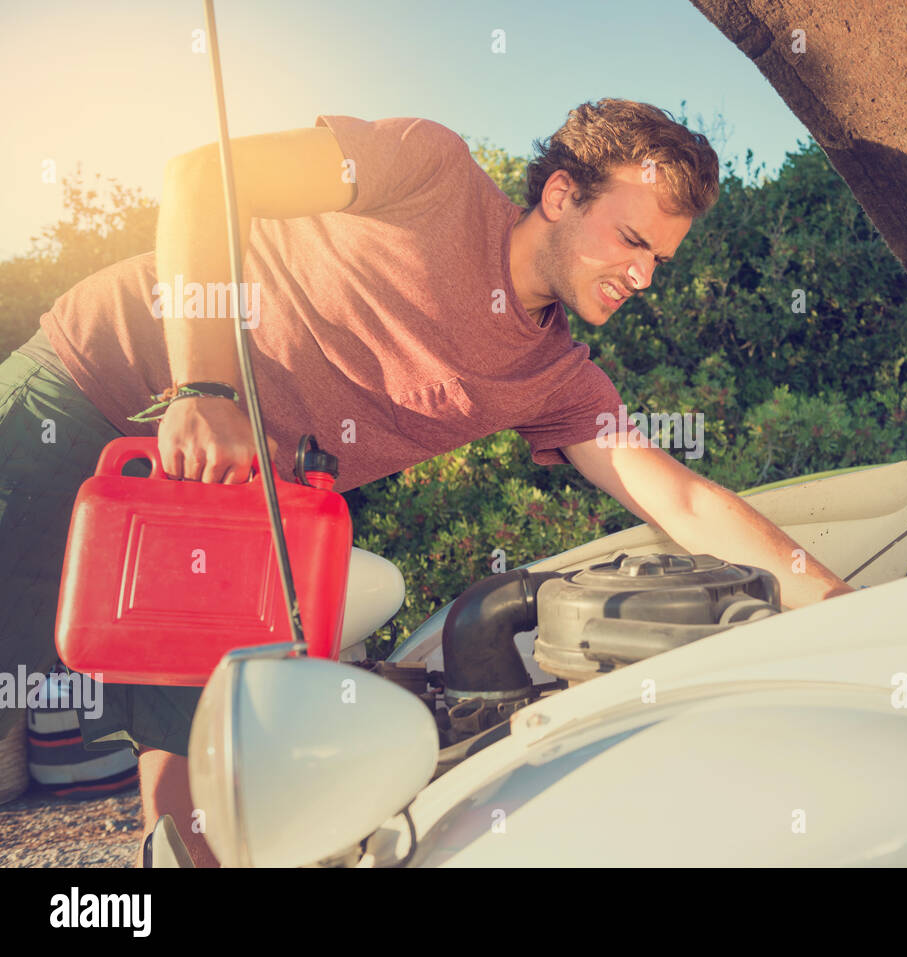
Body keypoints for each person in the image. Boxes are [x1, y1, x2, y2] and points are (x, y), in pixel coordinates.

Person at [0, 98, 854, 867]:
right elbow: (203, 176)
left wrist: (851, 616)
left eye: (660, 258)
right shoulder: (428, 168)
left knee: (201, 787)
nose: (644, 275)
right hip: (87, 394)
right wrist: (205, 389)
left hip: (220, 513)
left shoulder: (555, 378)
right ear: (561, 195)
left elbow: (683, 500)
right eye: (634, 240)